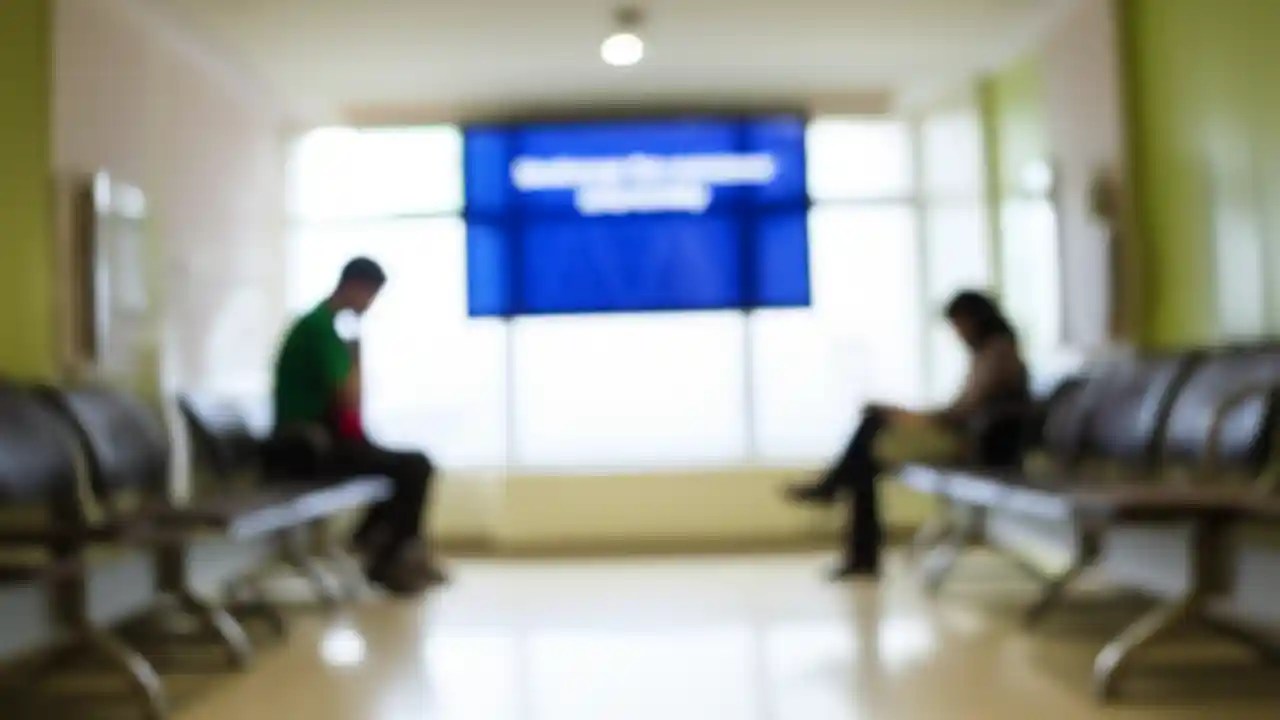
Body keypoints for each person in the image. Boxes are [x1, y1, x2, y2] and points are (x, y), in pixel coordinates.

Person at [786, 290, 1029, 580]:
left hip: (975, 446)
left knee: (871, 438)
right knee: (869, 442)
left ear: (974, 320)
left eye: (958, 324)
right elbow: (959, 412)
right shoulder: (991, 353)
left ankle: (838, 502)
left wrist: (906, 416)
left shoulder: (997, 353)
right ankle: (838, 502)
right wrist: (905, 415)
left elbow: (958, 415)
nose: (957, 333)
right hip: (967, 437)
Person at [271, 257, 445, 595]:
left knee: (403, 466)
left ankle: (375, 543)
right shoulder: (320, 328)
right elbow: (348, 395)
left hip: (315, 442)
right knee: (414, 467)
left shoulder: (322, 326)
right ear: (356, 287)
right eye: (371, 296)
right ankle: (382, 554)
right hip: (306, 449)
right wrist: (356, 360)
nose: (370, 305)